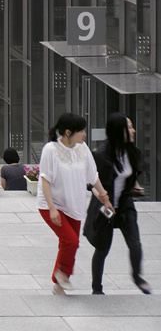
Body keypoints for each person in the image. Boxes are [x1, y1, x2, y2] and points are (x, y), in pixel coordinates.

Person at [37, 112, 113, 295]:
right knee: (71, 241)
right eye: (81, 131)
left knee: (68, 243)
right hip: (52, 205)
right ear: (68, 132)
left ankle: (58, 285)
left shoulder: (82, 148)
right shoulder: (50, 149)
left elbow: (92, 176)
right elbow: (45, 180)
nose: (84, 134)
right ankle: (62, 277)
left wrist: (104, 197)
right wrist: (52, 209)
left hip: (74, 204)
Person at [89, 112, 149, 295]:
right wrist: (103, 198)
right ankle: (97, 289)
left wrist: (135, 187)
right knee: (102, 248)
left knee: (135, 243)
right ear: (118, 131)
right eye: (129, 127)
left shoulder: (130, 151)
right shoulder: (101, 155)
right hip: (105, 208)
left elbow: (129, 174)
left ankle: (137, 278)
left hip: (124, 205)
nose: (134, 130)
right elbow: (90, 183)